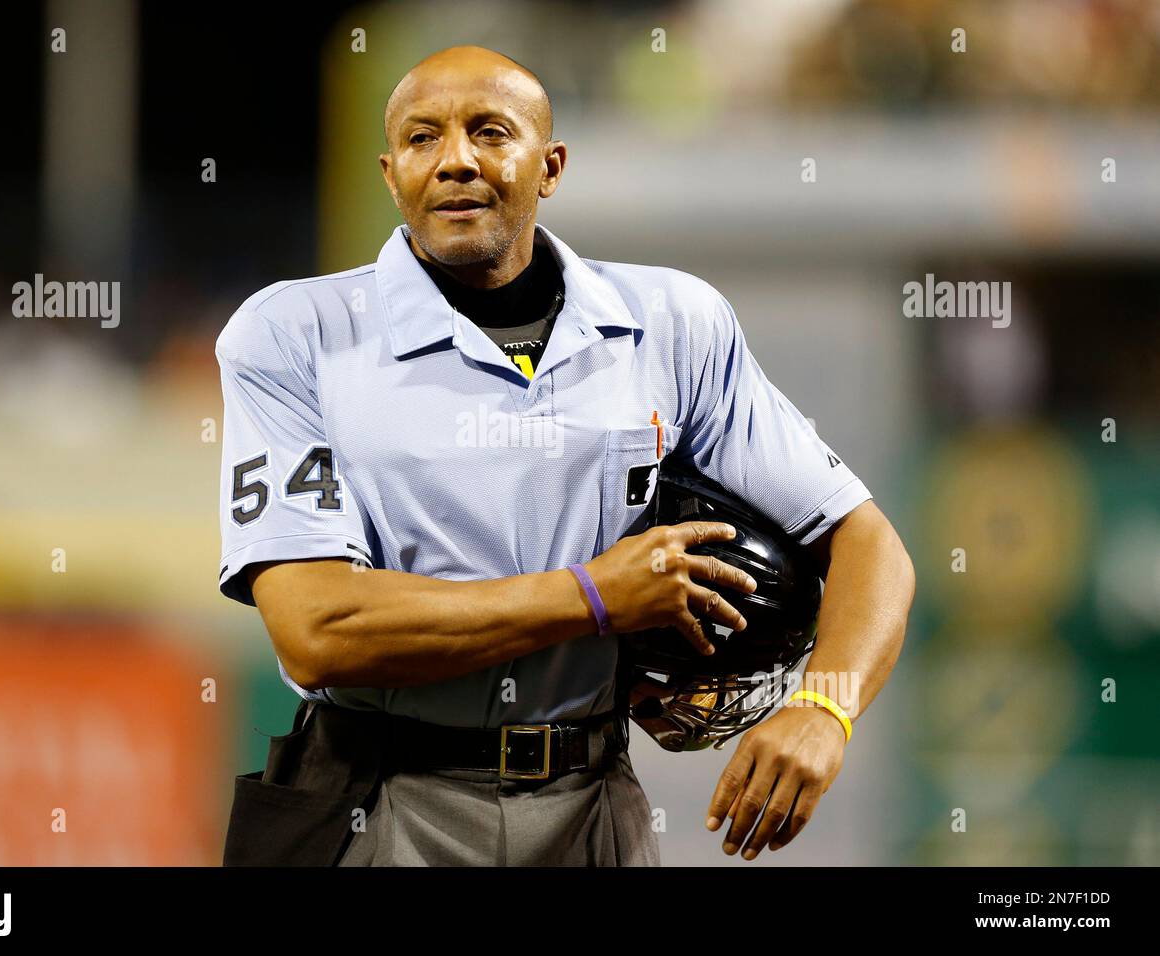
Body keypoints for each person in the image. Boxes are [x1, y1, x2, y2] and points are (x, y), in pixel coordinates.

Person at [215, 45, 915, 866]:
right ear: (390, 173)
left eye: (490, 131)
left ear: (550, 167)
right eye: (421, 138)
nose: (456, 161)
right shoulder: (295, 332)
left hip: (592, 799)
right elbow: (318, 628)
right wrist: (591, 597)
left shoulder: (672, 321)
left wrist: (824, 708)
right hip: (380, 796)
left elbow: (867, 542)